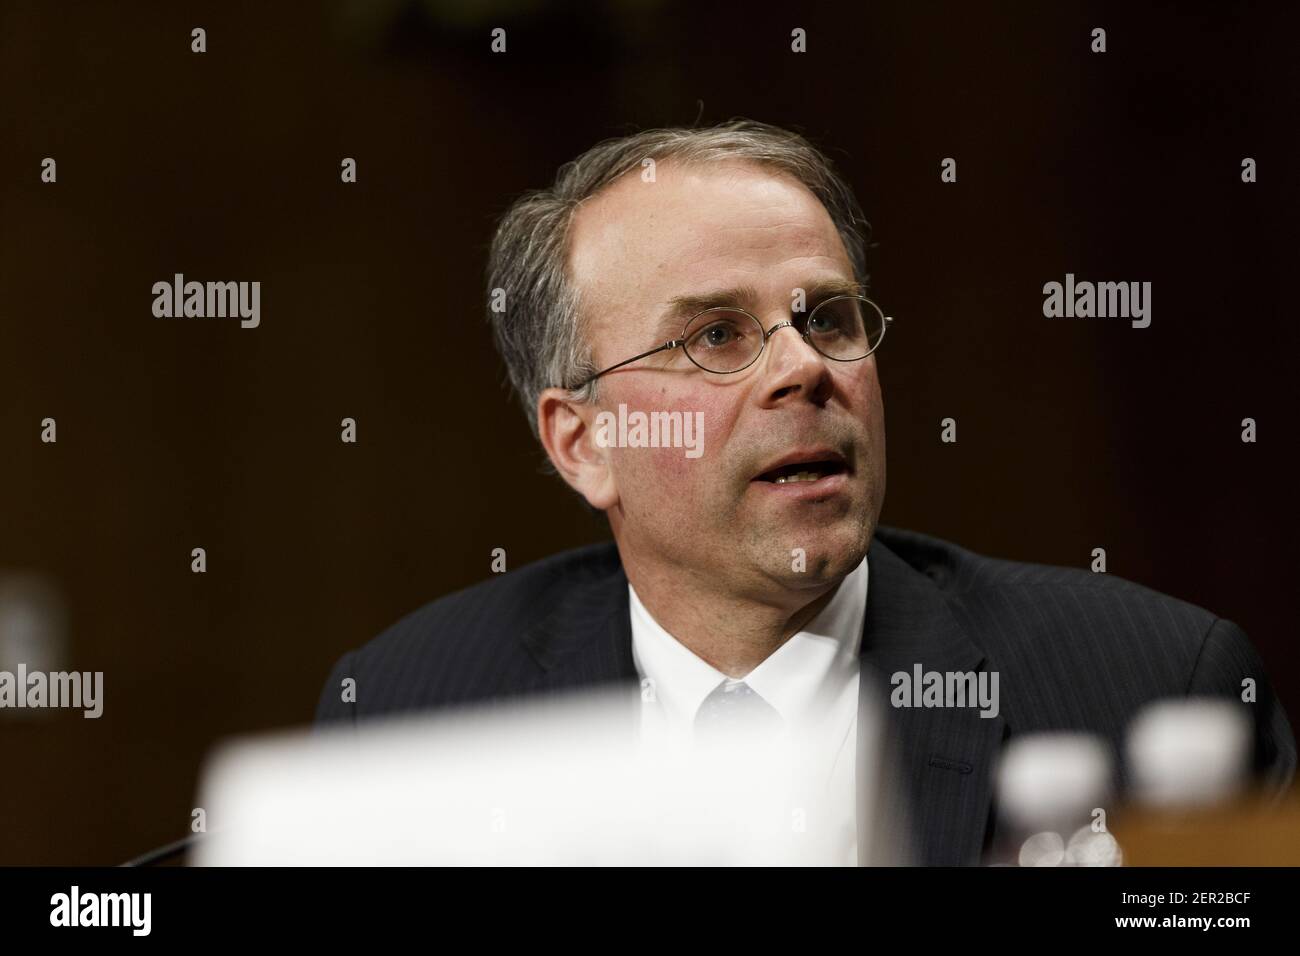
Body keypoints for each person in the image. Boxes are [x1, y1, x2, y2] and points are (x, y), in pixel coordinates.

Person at [315, 118, 1294, 865]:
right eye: (715, 336)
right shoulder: (411, 716)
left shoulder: (1150, 685)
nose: (802, 369)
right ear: (584, 442)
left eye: (826, 316)